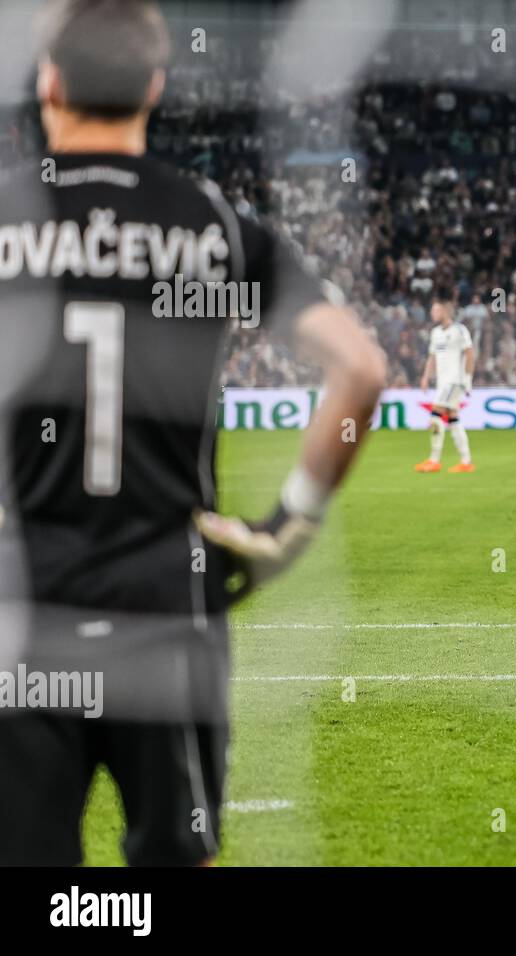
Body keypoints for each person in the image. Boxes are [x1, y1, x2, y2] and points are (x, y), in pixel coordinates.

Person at [0, 0, 386, 866]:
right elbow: (360, 368)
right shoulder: (211, 226)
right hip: (170, 602)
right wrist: (287, 529)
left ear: (50, 83)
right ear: (155, 88)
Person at [415, 299, 475, 473]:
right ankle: (466, 462)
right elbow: (432, 357)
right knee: (453, 418)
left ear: (445, 311)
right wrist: (426, 377)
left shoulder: (459, 330)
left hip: (454, 380)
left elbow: (470, 354)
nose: (432, 313)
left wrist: (467, 379)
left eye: (435, 310)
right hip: (443, 382)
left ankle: (434, 460)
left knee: (435, 416)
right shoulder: (435, 333)